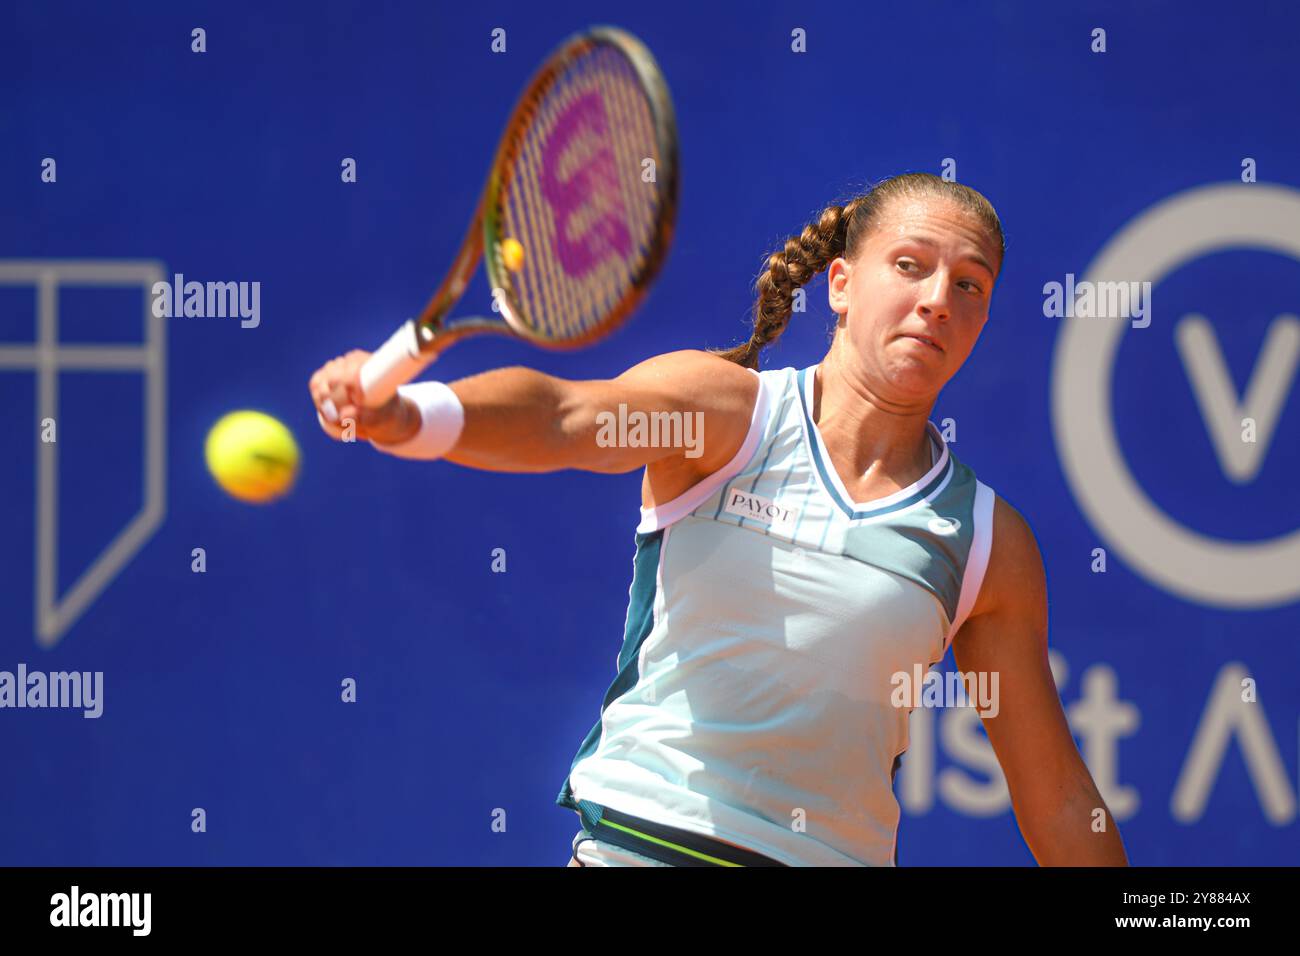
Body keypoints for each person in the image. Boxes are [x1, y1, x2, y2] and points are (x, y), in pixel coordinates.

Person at [308, 172, 1129, 867]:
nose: (936, 301)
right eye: (909, 267)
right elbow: (563, 416)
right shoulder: (723, 417)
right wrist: (412, 416)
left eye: (968, 285)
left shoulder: (988, 543)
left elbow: (1055, 796)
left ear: (984, 319)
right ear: (840, 285)